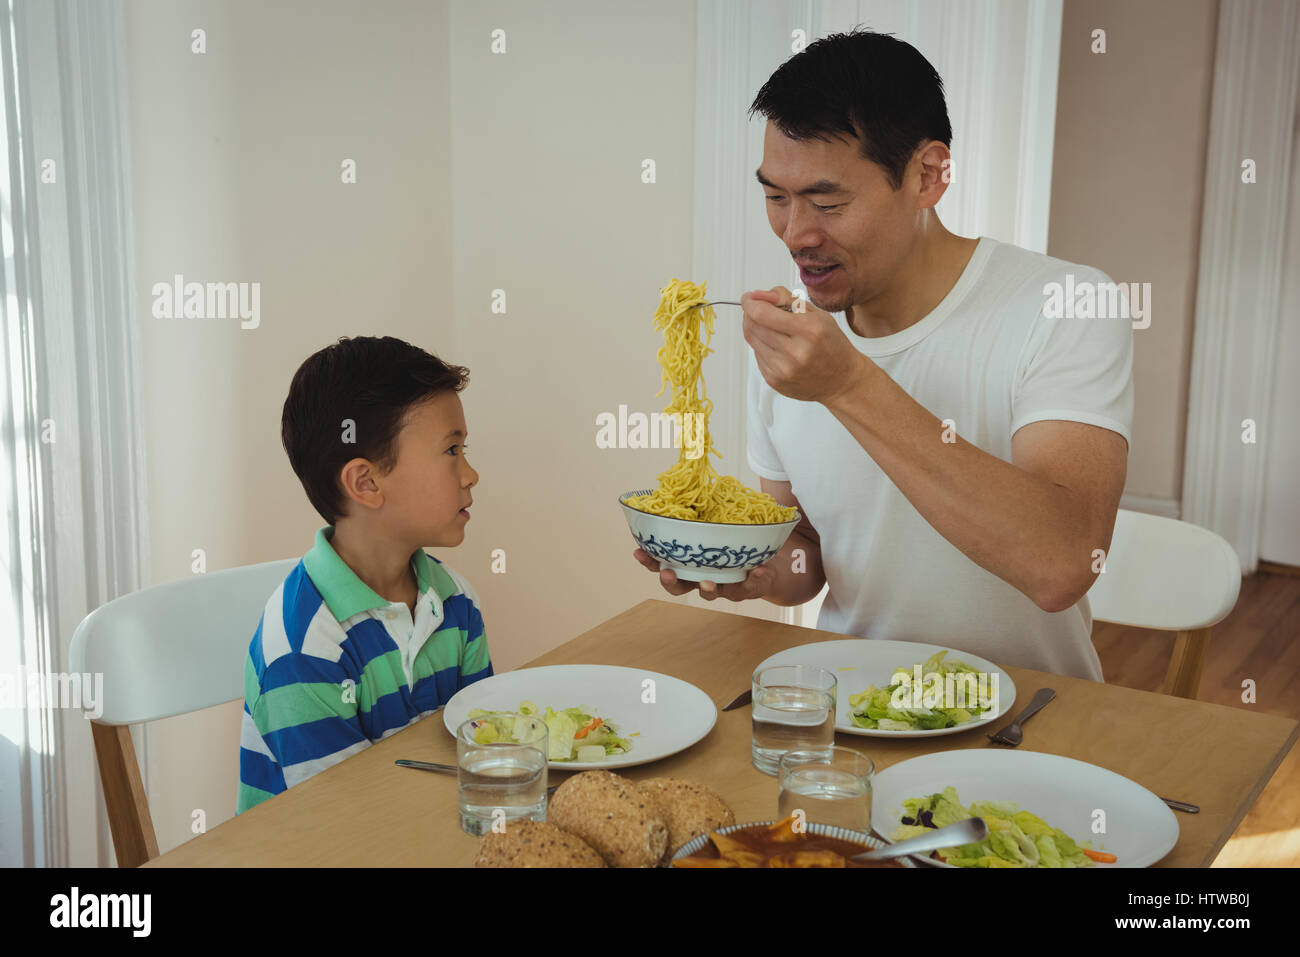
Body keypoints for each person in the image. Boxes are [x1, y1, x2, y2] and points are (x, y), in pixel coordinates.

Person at [634, 29, 1132, 681]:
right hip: (848, 712)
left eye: (827, 201)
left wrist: (847, 385)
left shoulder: (1064, 304)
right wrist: (749, 567)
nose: (795, 234)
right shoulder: (792, 343)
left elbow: (1063, 563)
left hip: (1027, 720)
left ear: (927, 175)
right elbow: (810, 554)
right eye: (775, 197)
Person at [237, 336, 490, 813]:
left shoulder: (455, 601)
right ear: (366, 483)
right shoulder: (303, 652)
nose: (470, 473)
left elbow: (481, 751)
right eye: (451, 450)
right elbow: (346, 829)